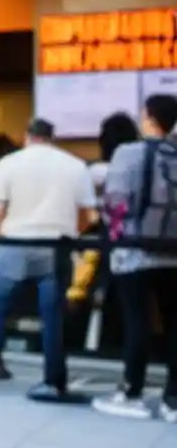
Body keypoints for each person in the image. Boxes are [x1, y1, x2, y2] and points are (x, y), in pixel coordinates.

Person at [0, 118, 97, 402]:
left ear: (27, 136)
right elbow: (89, 215)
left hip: (13, 243)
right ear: (52, 138)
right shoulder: (74, 166)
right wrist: (71, 231)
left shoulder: (8, 164)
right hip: (54, 245)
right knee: (53, 314)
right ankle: (53, 377)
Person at [94, 94, 177, 422]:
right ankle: (173, 399)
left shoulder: (129, 153)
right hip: (174, 253)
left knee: (136, 322)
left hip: (134, 253)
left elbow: (115, 203)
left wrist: (116, 239)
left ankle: (132, 392)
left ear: (150, 118)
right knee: (174, 325)